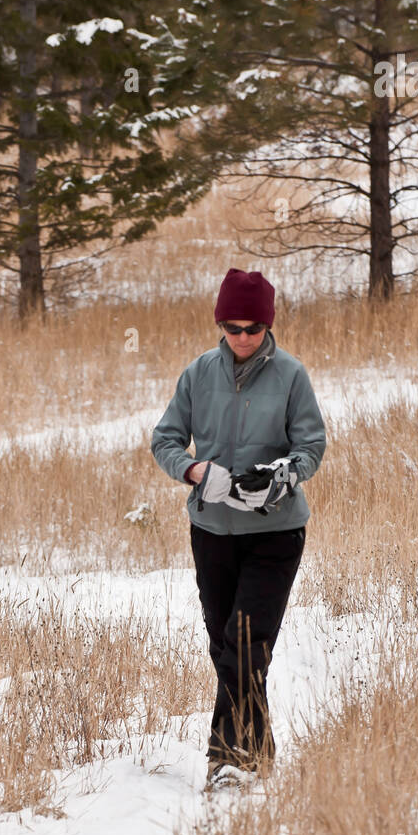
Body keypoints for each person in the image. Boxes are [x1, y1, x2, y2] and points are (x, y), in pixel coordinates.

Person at [151, 268, 327, 788]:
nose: (243, 337)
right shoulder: (197, 374)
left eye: (253, 327)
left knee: (247, 641)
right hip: (211, 531)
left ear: (268, 325)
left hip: (275, 532)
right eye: (233, 326)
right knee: (225, 648)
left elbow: (311, 446)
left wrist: (281, 476)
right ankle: (258, 751)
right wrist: (194, 470)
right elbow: (164, 440)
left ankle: (227, 756)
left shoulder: (292, 376)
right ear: (220, 323)